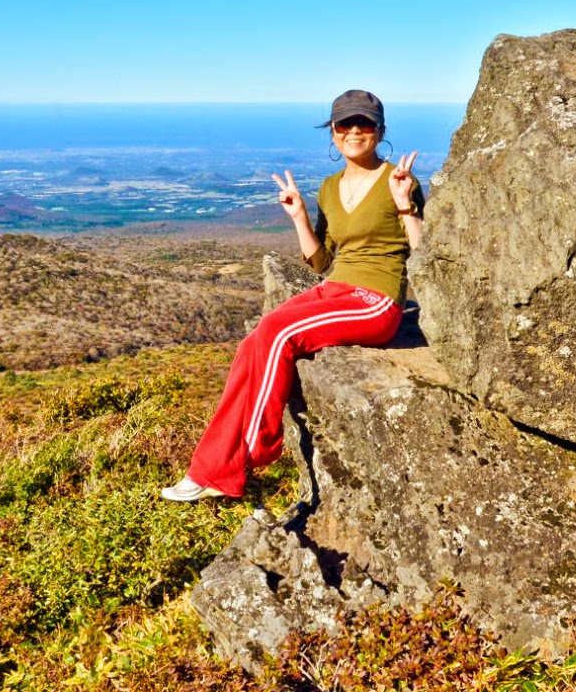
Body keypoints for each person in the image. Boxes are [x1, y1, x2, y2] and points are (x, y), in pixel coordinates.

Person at [161, 89, 424, 502]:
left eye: (365, 124)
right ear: (333, 134)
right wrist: (299, 216)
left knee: (280, 332)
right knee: (254, 341)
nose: (354, 131)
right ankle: (210, 468)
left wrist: (404, 204)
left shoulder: (398, 181)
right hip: (335, 287)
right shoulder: (329, 187)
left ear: (381, 131)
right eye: (344, 124)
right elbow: (321, 262)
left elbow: (423, 253)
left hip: (377, 300)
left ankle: (253, 450)